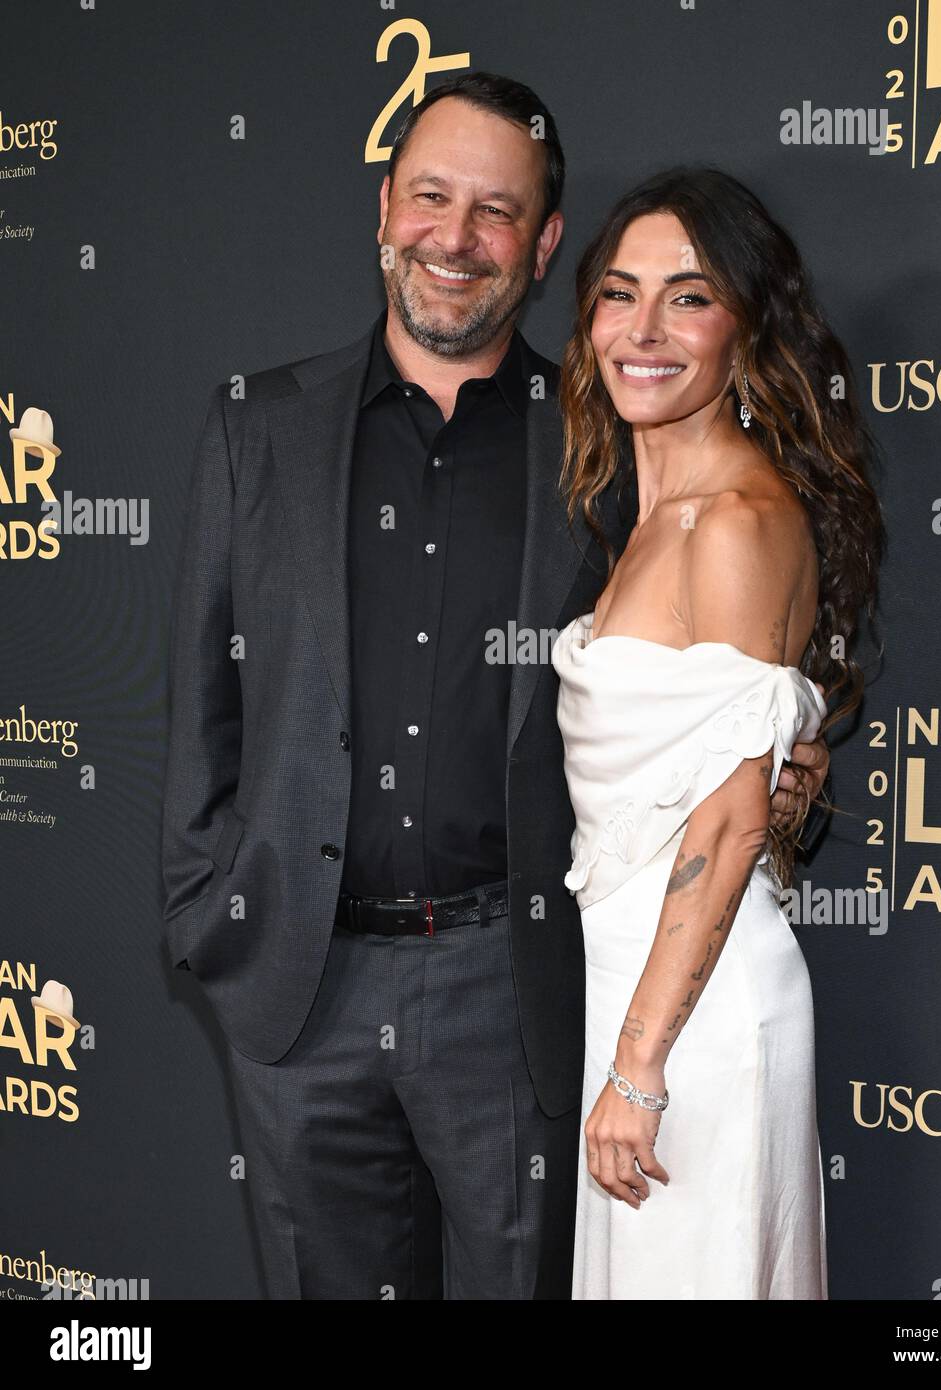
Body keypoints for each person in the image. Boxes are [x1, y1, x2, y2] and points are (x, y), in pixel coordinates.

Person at [159, 76, 832, 1301]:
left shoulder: (600, 445)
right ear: (384, 210)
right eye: (432, 198)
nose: (456, 239)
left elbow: (745, 666)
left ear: (540, 244)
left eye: (495, 212)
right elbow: (205, 704)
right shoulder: (256, 429)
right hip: (298, 993)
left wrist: (792, 766)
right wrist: (210, 913)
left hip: (516, 994)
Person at [552, 167, 883, 1299]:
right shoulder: (643, 520)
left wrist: (639, 1067)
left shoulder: (739, 521)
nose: (641, 329)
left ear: (746, 327)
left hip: (690, 1021)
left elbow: (736, 813)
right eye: (617, 292)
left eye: (687, 297)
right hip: (636, 998)